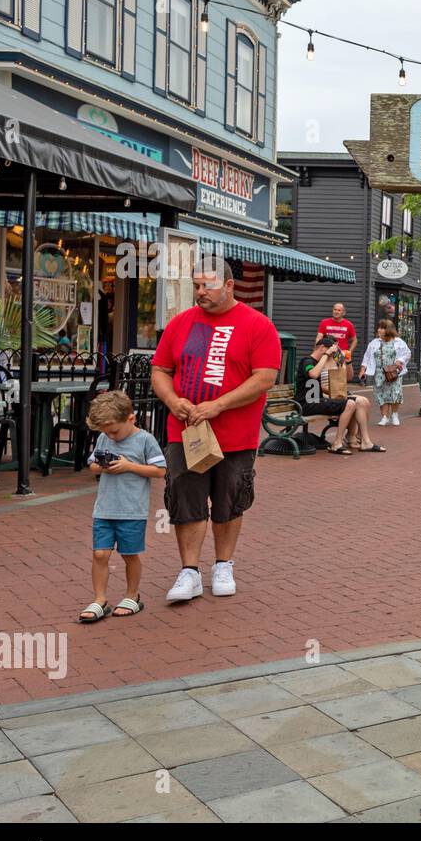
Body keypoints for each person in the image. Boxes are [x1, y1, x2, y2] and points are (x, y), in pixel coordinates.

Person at [151, 258, 281, 603]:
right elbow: (160, 370)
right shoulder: (181, 323)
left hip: (235, 433)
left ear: (228, 285)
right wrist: (172, 400)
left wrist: (219, 405)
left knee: (229, 499)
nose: (200, 292)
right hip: (186, 431)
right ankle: (189, 570)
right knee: (185, 497)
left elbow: (264, 377)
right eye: (196, 285)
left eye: (207, 285)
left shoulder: (257, 325)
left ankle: (223, 563)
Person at [78, 392, 167, 622]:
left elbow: (159, 471)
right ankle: (100, 599)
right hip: (105, 508)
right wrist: (101, 466)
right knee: (99, 554)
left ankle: (132, 595)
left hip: (131, 510)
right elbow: (92, 465)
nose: (110, 436)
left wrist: (129, 466)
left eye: (114, 431)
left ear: (131, 418)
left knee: (129, 554)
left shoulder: (145, 440)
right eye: (106, 432)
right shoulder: (104, 438)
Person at [296, 336, 382, 455]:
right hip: (306, 404)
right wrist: (326, 354)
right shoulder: (307, 361)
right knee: (350, 404)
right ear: (322, 348)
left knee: (357, 402)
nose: (330, 357)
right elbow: (313, 374)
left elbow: (345, 377)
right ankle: (337, 443)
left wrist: (343, 360)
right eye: (330, 353)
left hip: (316, 401)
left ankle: (359, 441)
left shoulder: (318, 362)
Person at [359, 320, 411, 426]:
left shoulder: (399, 342)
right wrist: (362, 370)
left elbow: (407, 353)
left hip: (394, 372)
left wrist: (400, 360)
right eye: (379, 328)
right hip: (379, 372)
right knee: (381, 394)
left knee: (395, 393)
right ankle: (384, 417)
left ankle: (395, 415)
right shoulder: (374, 343)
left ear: (388, 330)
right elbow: (367, 357)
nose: (379, 330)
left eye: (382, 328)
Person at [316, 303, 358, 379]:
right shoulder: (324, 322)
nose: (336, 312)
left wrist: (349, 352)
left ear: (343, 313)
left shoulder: (349, 324)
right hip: (328, 354)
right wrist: (317, 351)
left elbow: (355, 340)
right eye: (335, 309)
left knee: (341, 377)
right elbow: (319, 338)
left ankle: (338, 390)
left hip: (340, 355)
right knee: (325, 376)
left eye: (339, 310)